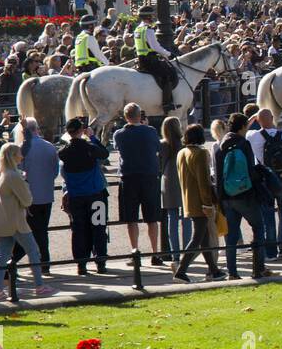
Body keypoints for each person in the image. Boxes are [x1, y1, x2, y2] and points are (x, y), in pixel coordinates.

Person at [0, 142, 56, 302]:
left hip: (4, 222)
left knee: (3, 256)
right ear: (13, 156)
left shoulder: (0, 173)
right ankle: (39, 286)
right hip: (16, 222)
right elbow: (27, 200)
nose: (22, 156)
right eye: (19, 153)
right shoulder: (13, 175)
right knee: (34, 251)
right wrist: (24, 182)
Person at [214, 111, 273, 281]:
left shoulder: (220, 146)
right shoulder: (244, 144)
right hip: (245, 195)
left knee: (231, 237)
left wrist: (221, 199)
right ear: (242, 127)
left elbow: (219, 176)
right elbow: (250, 172)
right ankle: (258, 267)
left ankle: (232, 272)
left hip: (227, 197)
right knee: (258, 227)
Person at [58, 117, 111, 275]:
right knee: (99, 228)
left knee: (79, 230)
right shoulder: (90, 147)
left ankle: (81, 264)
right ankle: (100, 261)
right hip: (96, 194)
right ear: (81, 131)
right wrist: (93, 137)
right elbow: (104, 153)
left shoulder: (63, 153)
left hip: (76, 196)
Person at [113, 103, 164, 263]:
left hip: (129, 178)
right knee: (152, 218)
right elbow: (157, 147)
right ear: (140, 116)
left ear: (125, 117)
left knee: (131, 218)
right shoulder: (150, 131)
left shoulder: (119, 134)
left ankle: (135, 251)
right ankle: (155, 253)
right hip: (149, 177)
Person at [173, 123, 224, 281]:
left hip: (189, 200)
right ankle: (181, 271)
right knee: (197, 238)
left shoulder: (182, 152)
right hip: (201, 202)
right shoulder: (201, 153)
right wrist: (208, 203)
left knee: (204, 238)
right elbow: (204, 181)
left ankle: (214, 270)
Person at [247, 108, 282, 260]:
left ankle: (271, 253)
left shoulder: (254, 136)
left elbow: (242, 129)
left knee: (268, 218)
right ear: (272, 117)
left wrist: (252, 118)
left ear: (258, 121)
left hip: (265, 180)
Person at [13, 117, 58, 275]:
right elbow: (55, 172)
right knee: (42, 231)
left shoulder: (21, 149)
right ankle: (44, 262)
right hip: (46, 194)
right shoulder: (50, 147)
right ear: (37, 128)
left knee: (28, 232)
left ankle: (22, 261)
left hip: (30, 197)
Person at [133, 6, 178, 113]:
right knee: (169, 73)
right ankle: (167, 103)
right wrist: (169, 54)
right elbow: (155, 47)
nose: (153, 17)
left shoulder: (137, 29)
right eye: (152, 15)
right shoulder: (148, 30)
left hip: (141, 59)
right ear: (148, 17)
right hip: (150, 60)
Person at [159, 117, 190, 267]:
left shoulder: (163, 144)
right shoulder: (184, 143)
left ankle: (175, 254)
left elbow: (160, 165)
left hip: (168, 180)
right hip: (183, 180)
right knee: (187, 218)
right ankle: (188, 252)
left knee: (172, 218)